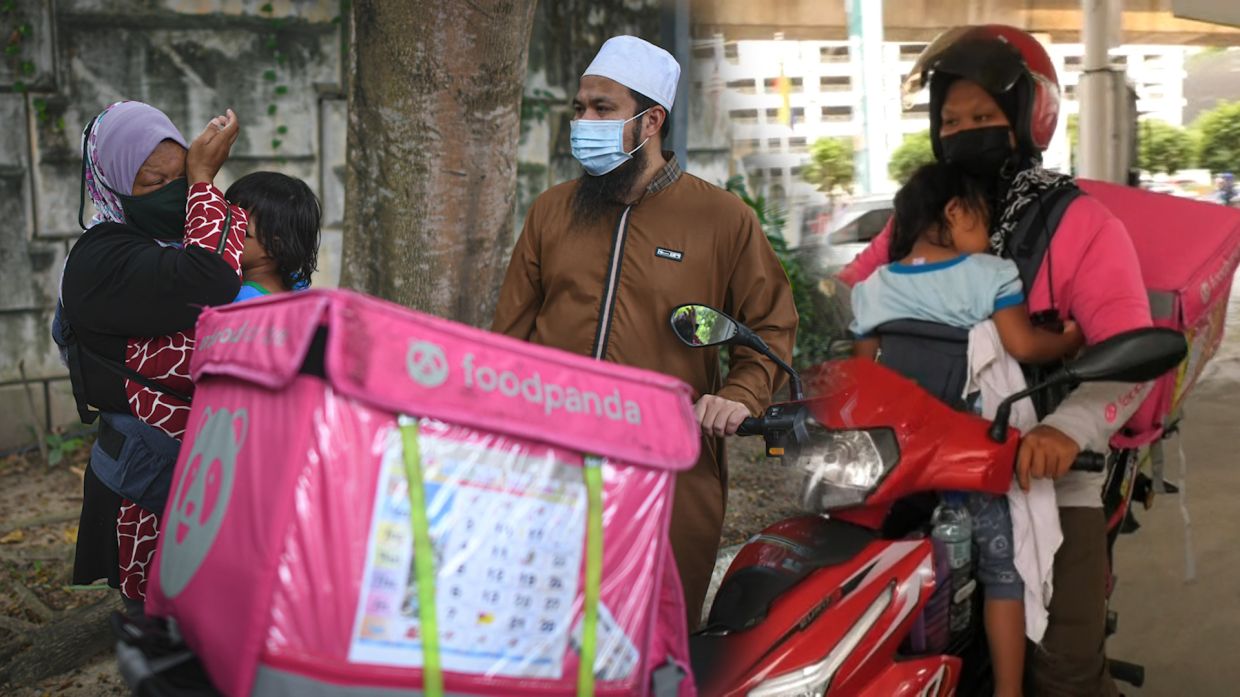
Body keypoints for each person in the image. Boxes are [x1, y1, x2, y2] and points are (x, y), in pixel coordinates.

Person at [838, 26, 1153, 696]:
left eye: (983, 117)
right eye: (951, 119)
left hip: (1040, 472)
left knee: (1061, 669)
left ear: (1027, 118)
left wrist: (1064, 430)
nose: (964, 132)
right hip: (914, 459)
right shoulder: (919, 217)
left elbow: (1129, 355)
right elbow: (849, 300)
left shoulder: (1080, 223)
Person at [491, 35, 798, 624]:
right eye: (580, 108)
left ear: (650, 120)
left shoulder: (721, 217)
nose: (584, 121)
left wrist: (739, 395)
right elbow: (510, 337)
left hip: (670, 471)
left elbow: (770, 324)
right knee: (541, 627)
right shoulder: (551, 211)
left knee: (652, 637)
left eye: (603, 109)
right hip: (553, 463)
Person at [850, 161, 1084, 697]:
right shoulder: (990, 275)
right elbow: (1024, 346)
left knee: (894, 562)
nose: (989, 233)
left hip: (898, 461)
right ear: (955, 212)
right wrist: (1069, 342)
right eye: (984, 219)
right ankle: (1007, 690)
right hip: (970, 455)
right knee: (1003, 568)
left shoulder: (873, 289)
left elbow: (866, 380)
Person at [57, 101, 247, 614]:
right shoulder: (101, 259)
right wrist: (203, 178)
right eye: (149, 182)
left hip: (199, 473)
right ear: (112, 183)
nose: (171, 190)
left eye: (177, 174)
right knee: (162, 620)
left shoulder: (170, 239)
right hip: (145, 486)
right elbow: (211, 280)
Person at [224, 171, 322, 301]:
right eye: (224, 221)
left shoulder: (240, 302)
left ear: (275, 246)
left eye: (240, 228)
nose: (224, 233)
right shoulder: (299, 287)